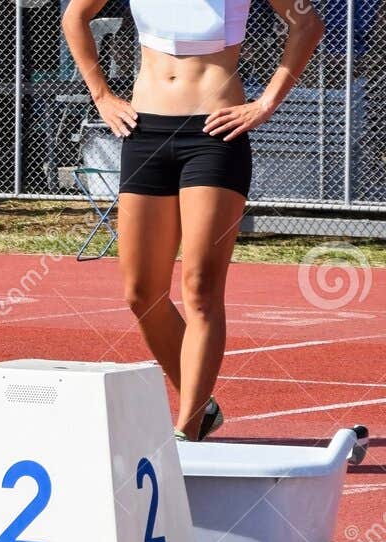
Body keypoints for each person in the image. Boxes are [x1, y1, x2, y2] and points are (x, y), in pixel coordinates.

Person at [64, 1, 322, 441]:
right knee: (142, 292)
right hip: (143, 132)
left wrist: (265, 103)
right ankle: (201, 407)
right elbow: (75, 16)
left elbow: (307, 23)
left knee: (200, 288)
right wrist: (102, 95)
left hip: (215, 135)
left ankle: (187, 429)